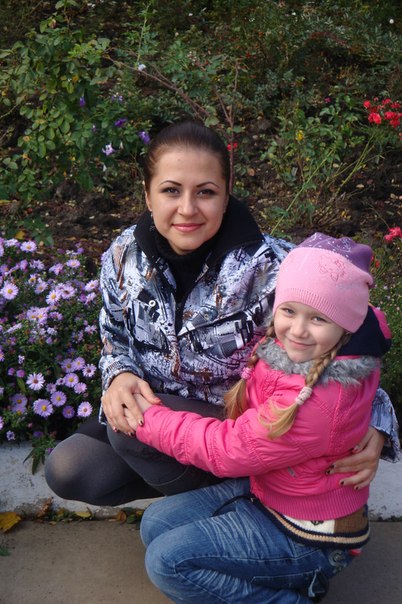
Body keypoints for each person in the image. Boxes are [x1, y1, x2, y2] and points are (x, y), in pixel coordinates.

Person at [44, 121, 399, 507]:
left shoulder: (276, 268)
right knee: (69, 469)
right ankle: (215, 498)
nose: (187, 209)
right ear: (148, 195)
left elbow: (358, 335)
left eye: (206, 192)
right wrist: (119, 375)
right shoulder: (123, 254)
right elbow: (114, 330)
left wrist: (376, 421)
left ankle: (234, 508)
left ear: (226, 196)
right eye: (171, 190)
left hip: (238, 428)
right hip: (155, 413)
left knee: (134, 426)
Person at [130, 233, 394, 603]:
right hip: (275, 490)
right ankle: (284, 579)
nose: (298, 330)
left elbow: (228, 451)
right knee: (156, 524)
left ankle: (294, 590)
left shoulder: (318, 401)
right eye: (290, 311)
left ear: (346, 323)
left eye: (318, 318)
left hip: (309, 534)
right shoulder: (320, 351)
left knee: (167, 563)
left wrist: (145, 418)